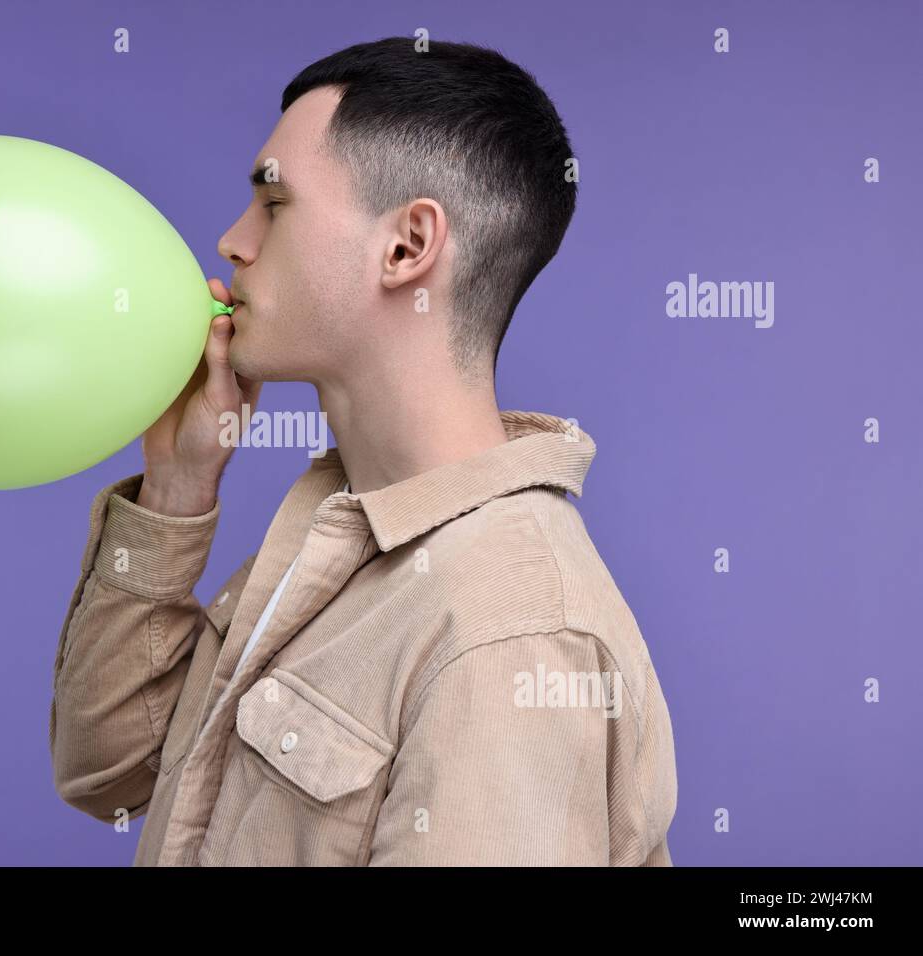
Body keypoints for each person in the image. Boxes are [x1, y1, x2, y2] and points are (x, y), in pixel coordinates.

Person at [49, 36, 677, 866]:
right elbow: (110, 775)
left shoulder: (508, 632)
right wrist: (176, 486)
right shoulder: (337, 539)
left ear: (408, 247)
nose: (232, 241)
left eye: (273, 205)